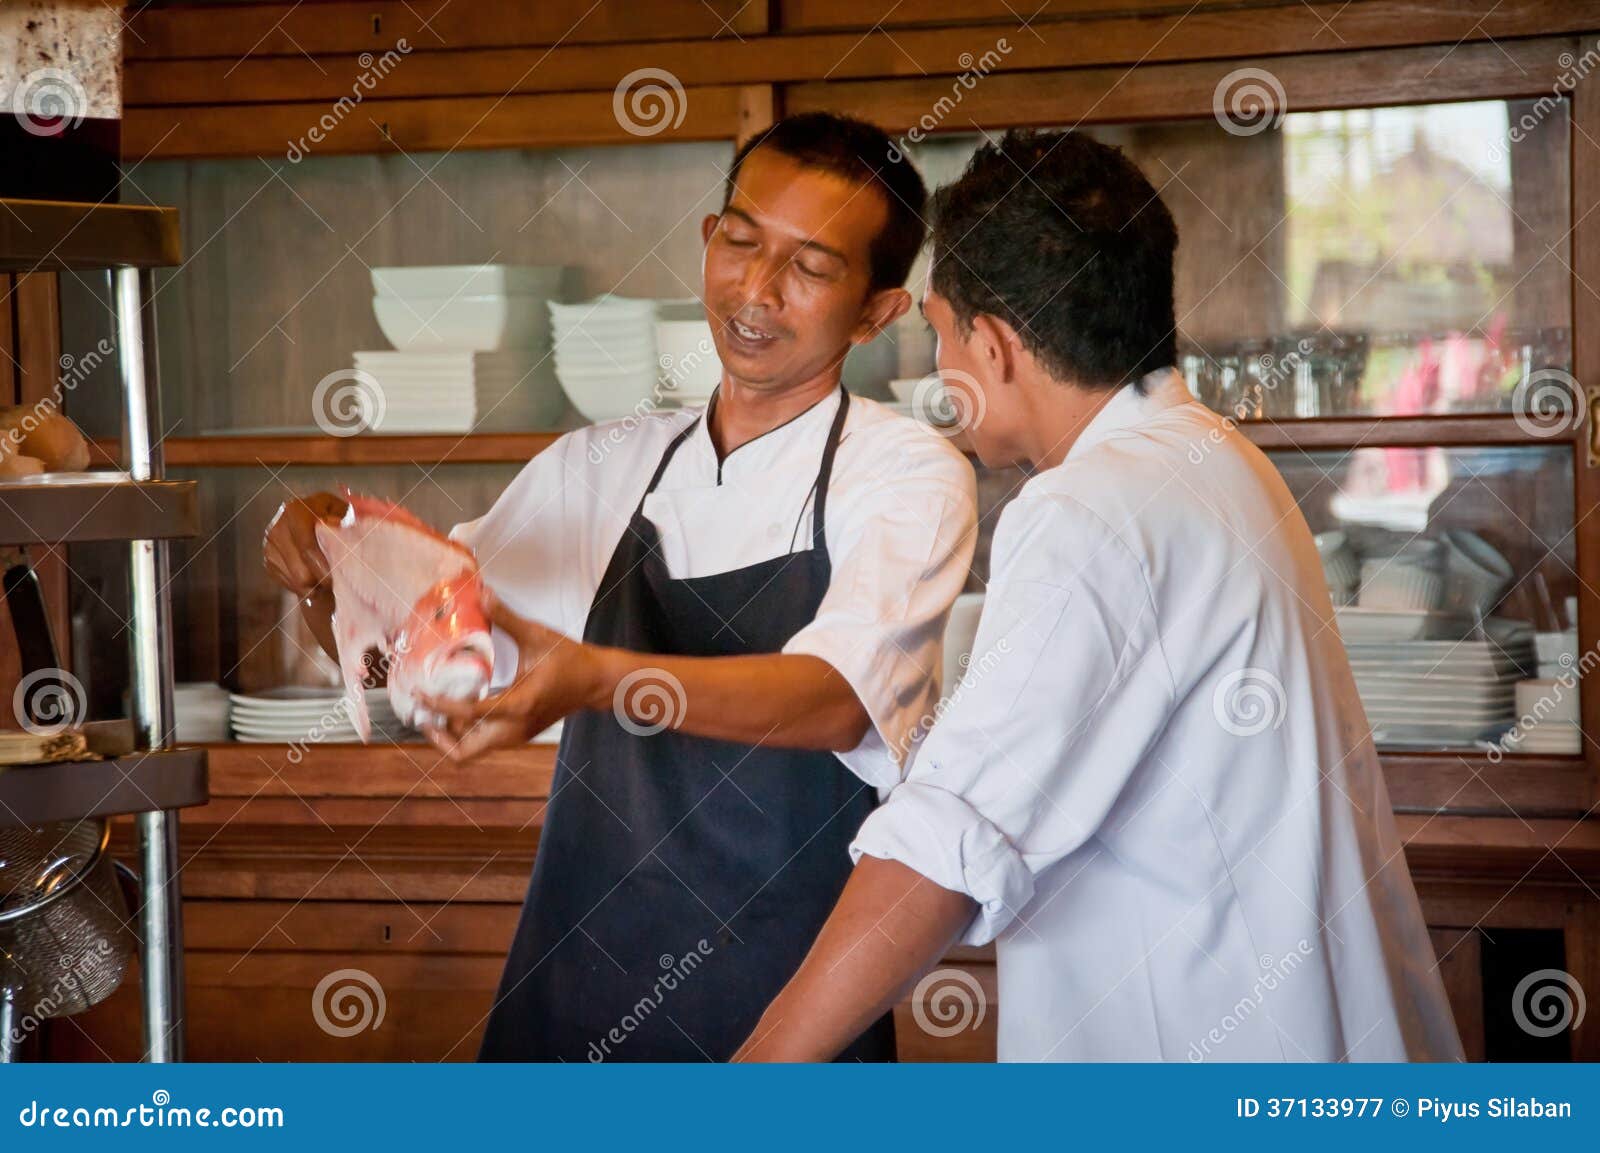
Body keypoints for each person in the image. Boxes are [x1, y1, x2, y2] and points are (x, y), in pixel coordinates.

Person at [733, 129, 1465, 1063]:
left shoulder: (1092, 507)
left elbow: (947, 845)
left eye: (941, 336)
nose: (943, 370)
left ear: (991, 346)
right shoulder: (1211, 455)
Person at [263, 112, 977, 1061]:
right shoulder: (599, 465)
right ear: (706, 241)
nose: (757, 289)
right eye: (740, 240)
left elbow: (839, 700)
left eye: (810, 267)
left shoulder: (902, 471)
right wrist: (335, 564)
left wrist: (598, 677)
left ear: (879, 311)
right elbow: (428, 652)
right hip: (570, 1015)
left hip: (785, 1035)